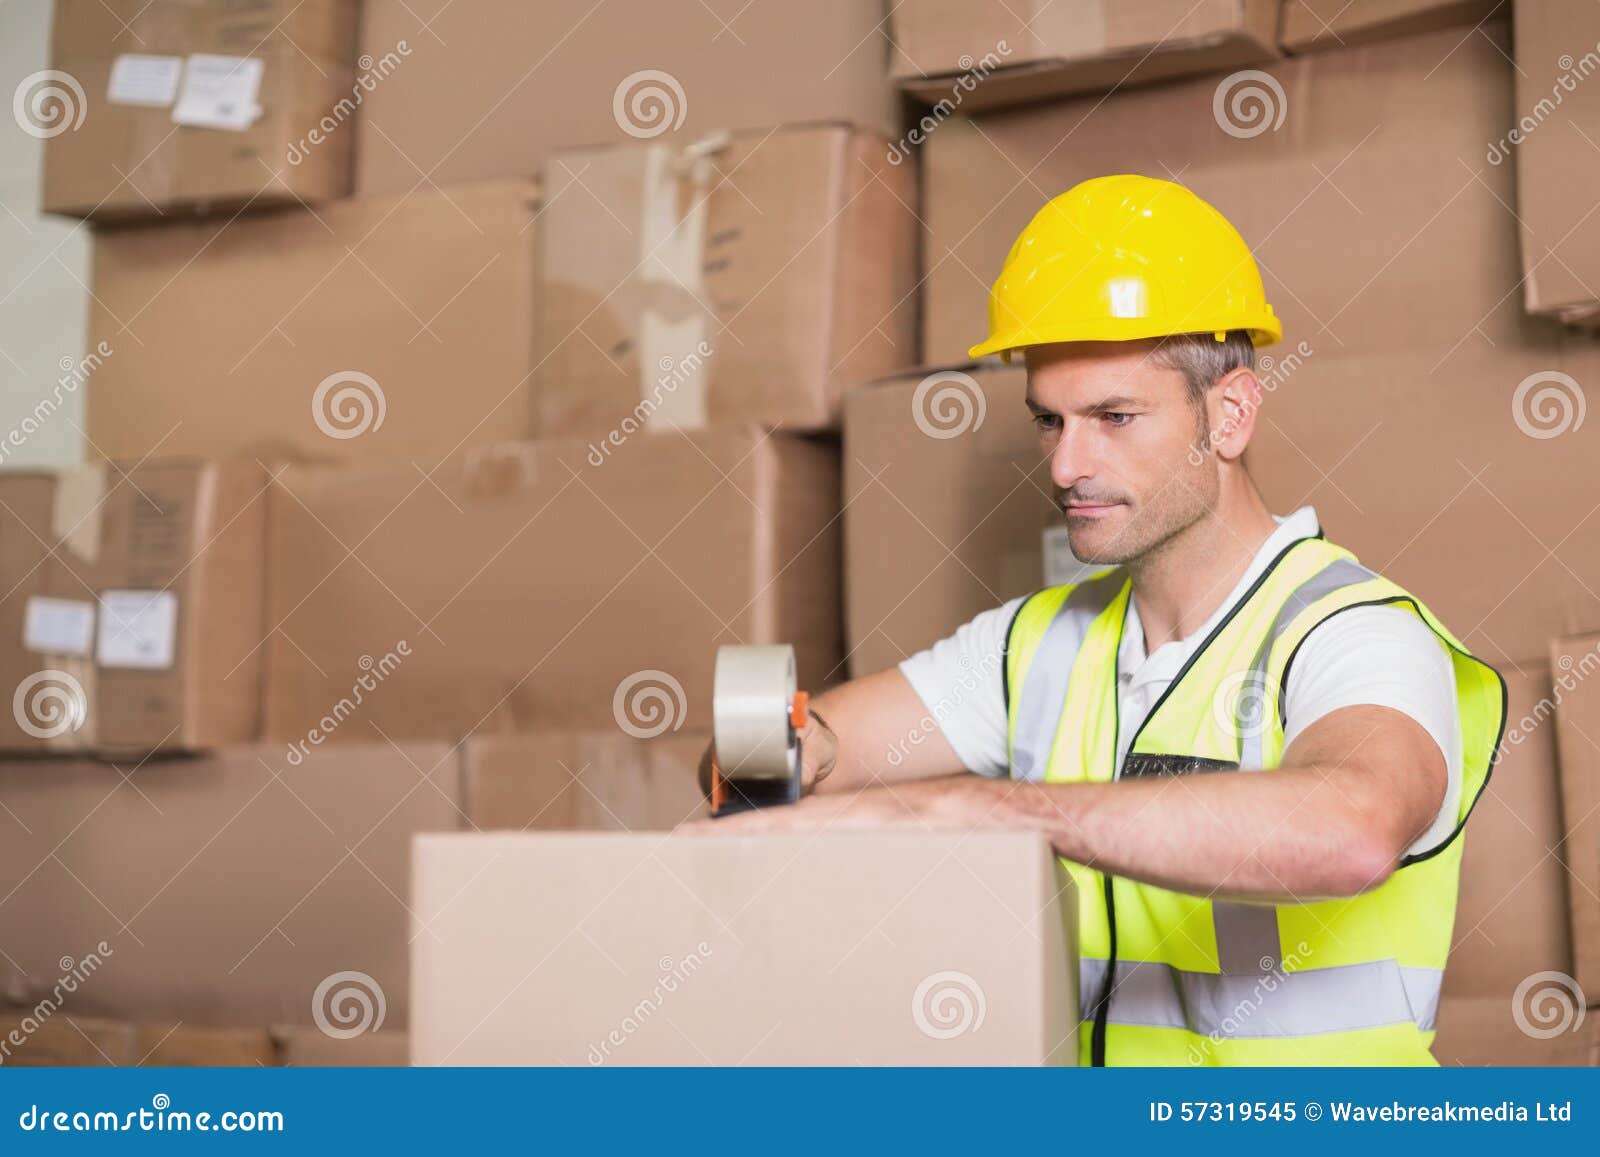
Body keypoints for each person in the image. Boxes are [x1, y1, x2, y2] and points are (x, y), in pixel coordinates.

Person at [689, 175, 1505, 1067]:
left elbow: (1351, 829)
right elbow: (814, 746)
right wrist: (767, 752)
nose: (1067, 464)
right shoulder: (1033, 646)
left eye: (1115, 417)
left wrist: (985, 808)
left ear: (1230, 414)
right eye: (1050, 421)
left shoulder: (1354, 631)